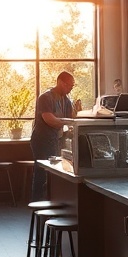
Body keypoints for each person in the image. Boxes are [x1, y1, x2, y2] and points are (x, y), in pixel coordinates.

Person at [29, 71, 81, 200]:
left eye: (72, 86)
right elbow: (49, 119)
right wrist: (65, 122)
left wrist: (78, 112)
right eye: (69, 85)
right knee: (42, 171)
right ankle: (37, 202)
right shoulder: (45, 97)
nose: (70, 89)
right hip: (42, 140)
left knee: (57, 173)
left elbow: (71, 121)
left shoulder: (67, 101)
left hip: (57, 139)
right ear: (60, 82)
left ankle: (54, 201)